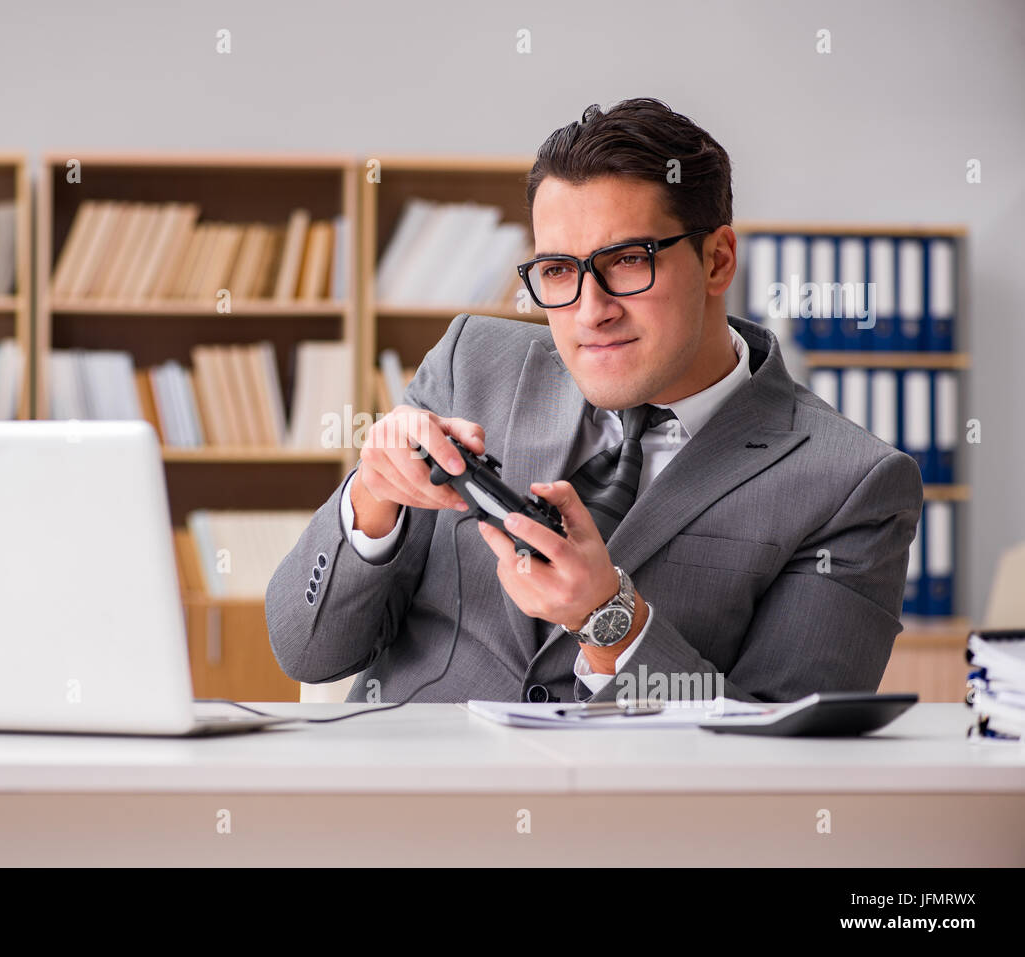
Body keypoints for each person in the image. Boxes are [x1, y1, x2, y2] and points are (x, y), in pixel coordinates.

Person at [265, 97, 923, 704]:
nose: (589, 311)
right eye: (557, 271)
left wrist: (612, 621)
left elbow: (781, 753)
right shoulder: (474, 365)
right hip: (402, 806)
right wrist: (372, 502)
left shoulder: (852, 483)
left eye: (628, 261)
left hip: (622, 825)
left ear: (719, 260)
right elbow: (306, 650)